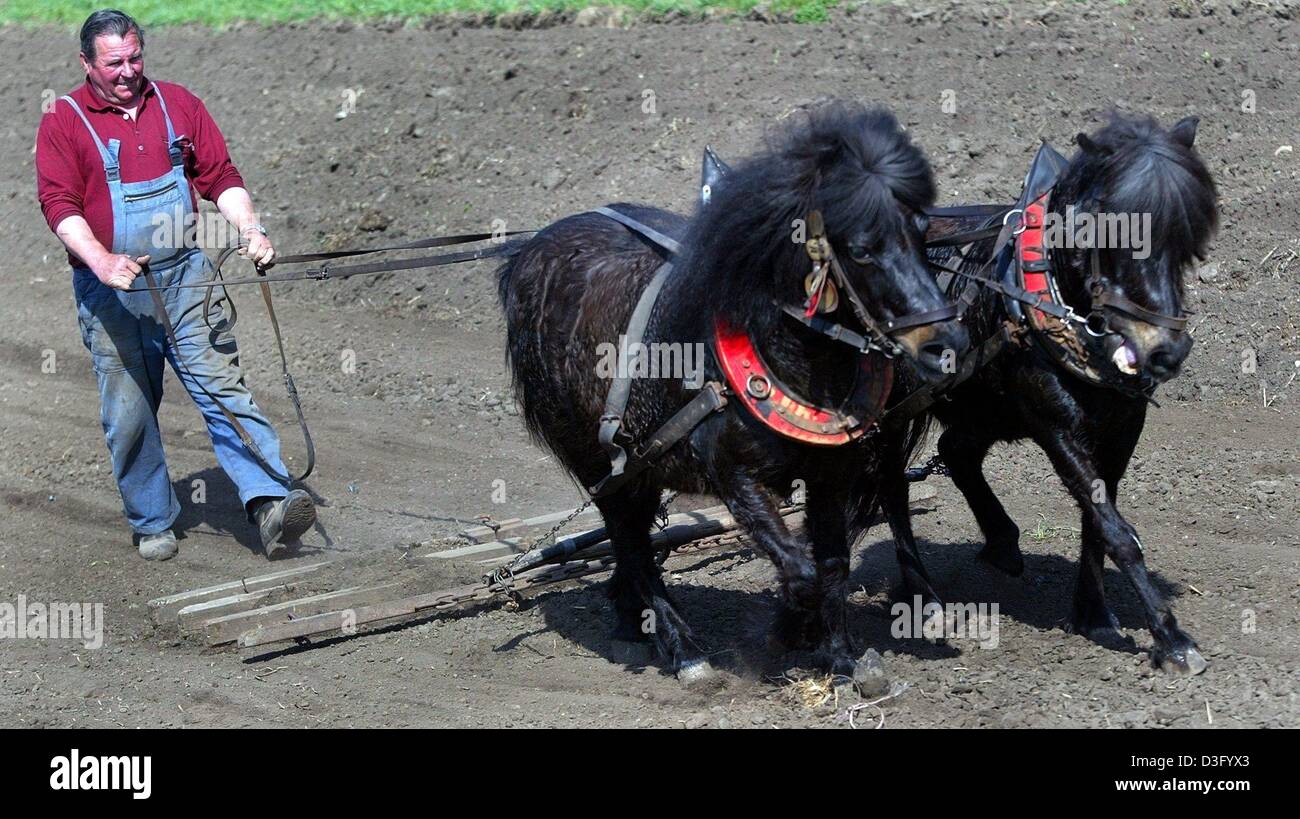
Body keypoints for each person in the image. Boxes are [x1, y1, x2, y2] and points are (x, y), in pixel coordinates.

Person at [35, 9, 315, 561]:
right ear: (86, 62)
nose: (127, 71)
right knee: (130, 410)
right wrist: (100, 259)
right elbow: (58, 204)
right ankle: (152, 518)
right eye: (113, 62)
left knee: (223, 389)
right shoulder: (64, 121)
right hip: (115, 288)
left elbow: (221, 176)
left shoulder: (178, 104)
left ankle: (269, 503)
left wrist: (250, 231)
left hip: (187, 277)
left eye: (135, 57)